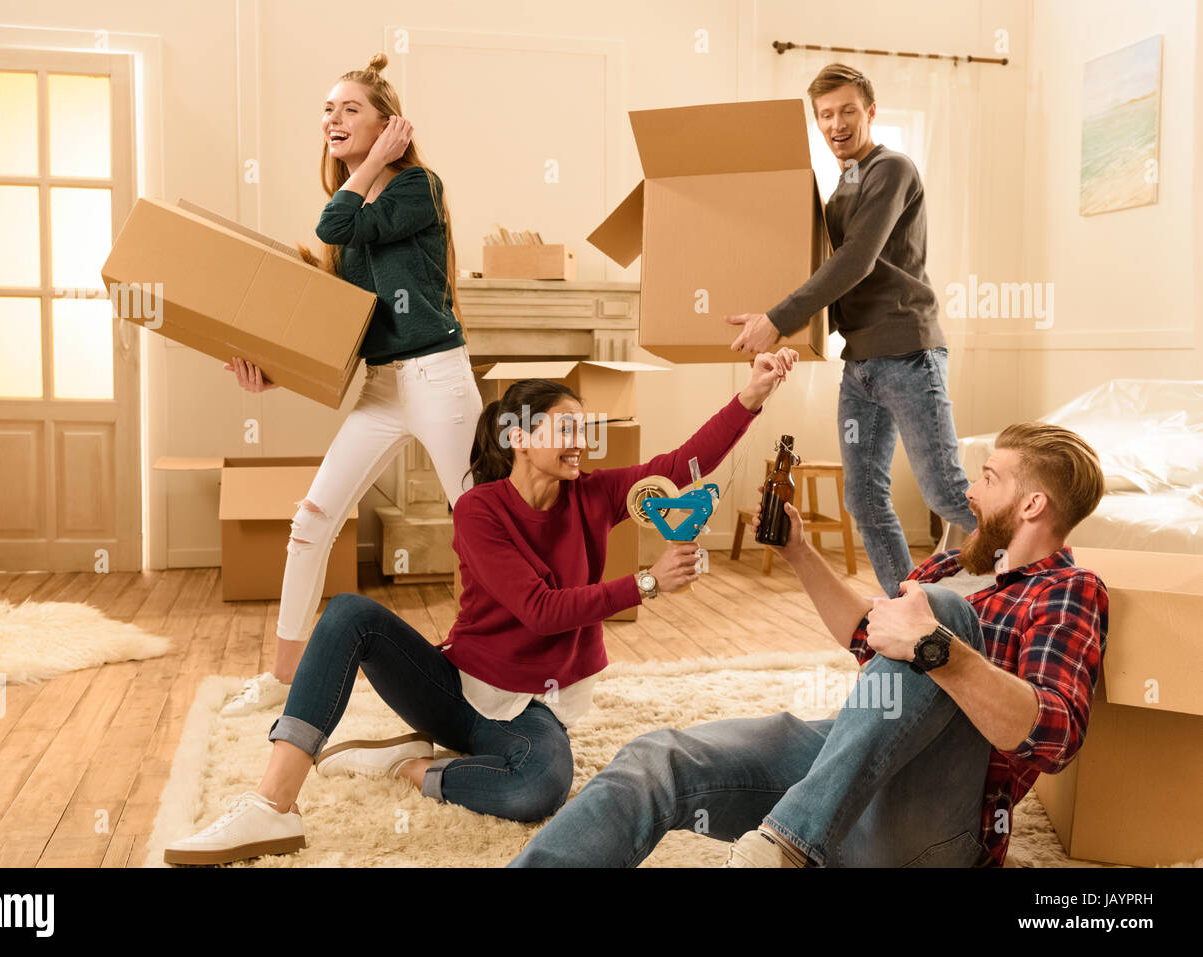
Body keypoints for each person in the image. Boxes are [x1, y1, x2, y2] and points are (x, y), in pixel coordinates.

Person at [164, 350, 799, 865]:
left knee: (538, 787)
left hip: (532, 704)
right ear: (519, 436)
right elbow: (540, 610)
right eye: (566, 429)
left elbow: (680, 464)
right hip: (456, 687)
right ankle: (272, 804)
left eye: (585, 428)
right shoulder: (479, 509)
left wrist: (753, 393)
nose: (581, 442)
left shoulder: (596, 494)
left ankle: (417, 766)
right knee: (349, 614)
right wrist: (647, 585)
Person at [509, 422, 1108, 868]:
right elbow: (868, 641)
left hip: (932, 826)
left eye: (989, 478)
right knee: (657, 758)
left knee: (940, 614)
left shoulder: (1069, 591)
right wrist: (797, 548)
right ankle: (792, 839)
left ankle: (787, 843)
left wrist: (937, 647)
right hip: (849, 770)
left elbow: (1053, 736)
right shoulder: (953, 563)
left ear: (1032, 505)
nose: (970, 490)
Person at [220, 53, 483, 716]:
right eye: (326, 111)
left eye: (349, 109)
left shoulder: (417, 187)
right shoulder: (352, 205)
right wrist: (275, 373)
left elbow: (334, 223)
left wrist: (364, 167)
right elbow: (339, 321)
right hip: (382, 388)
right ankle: (281, 679)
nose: (332, 120)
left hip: (438, 379)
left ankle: (488, 670)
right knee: (310, 523)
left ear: (389, 125)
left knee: (479, 529)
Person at [726, 62, 979, 598]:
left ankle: (1054, 575)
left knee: (947, 494)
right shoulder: (843, 185)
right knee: (863, 498)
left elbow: (857, 260)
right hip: (860, 364)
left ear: (870, 112)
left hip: (909, 353)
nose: (836, 123)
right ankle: (909, 612)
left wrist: (778, 320)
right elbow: (820, 269)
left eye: (846, 111)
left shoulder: (892, 169)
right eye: (825, 115)